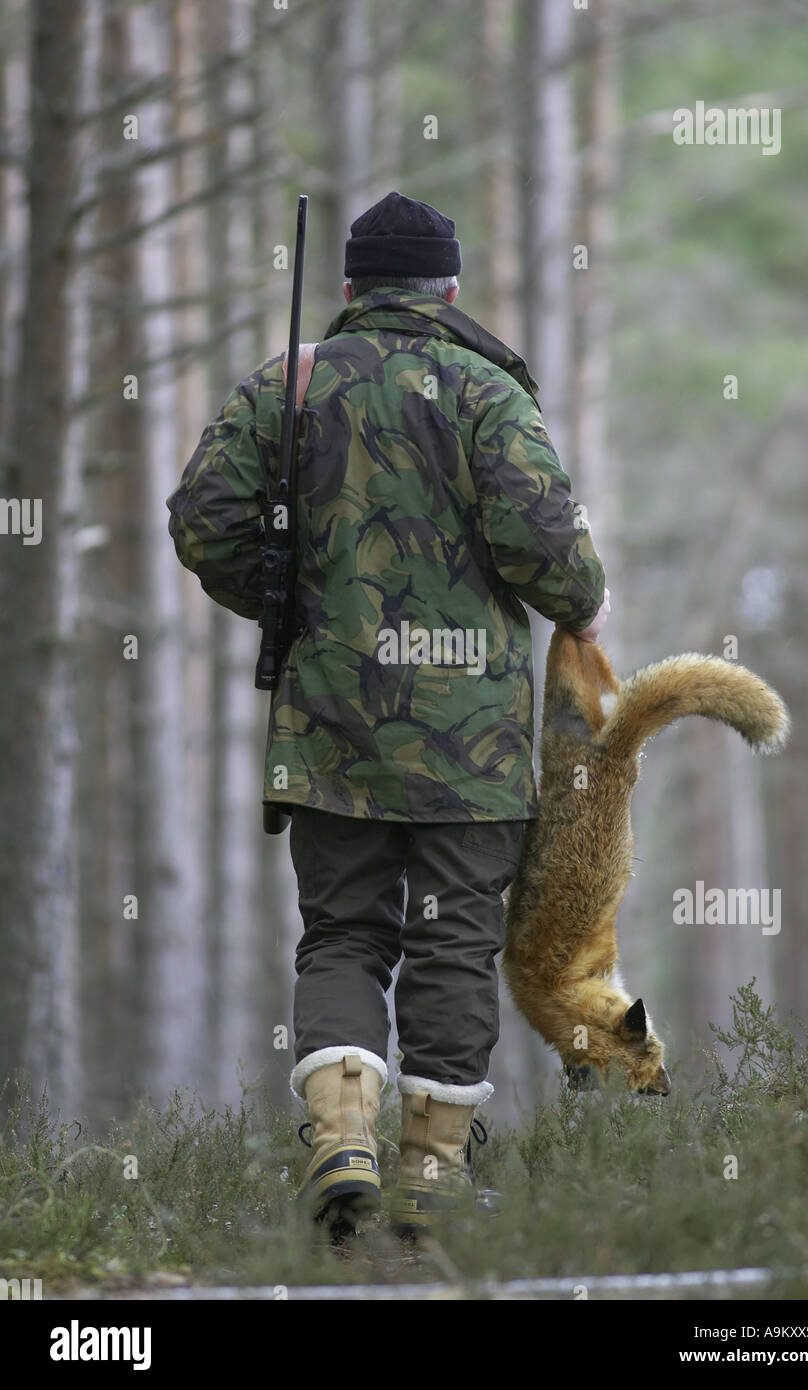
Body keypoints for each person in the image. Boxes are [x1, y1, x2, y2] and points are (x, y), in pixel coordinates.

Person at [167, 190, 610, 1239]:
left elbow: (202, 524)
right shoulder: (488, 391)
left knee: (343, 937)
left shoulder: (292, 383)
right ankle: (431, 1174)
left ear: (356, 288)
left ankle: (340, 1143)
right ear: (448, 289)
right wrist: (585, 607)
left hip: (330, 733)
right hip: (476, 748)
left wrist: (290, 601)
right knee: (454, 944)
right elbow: (555, 557)